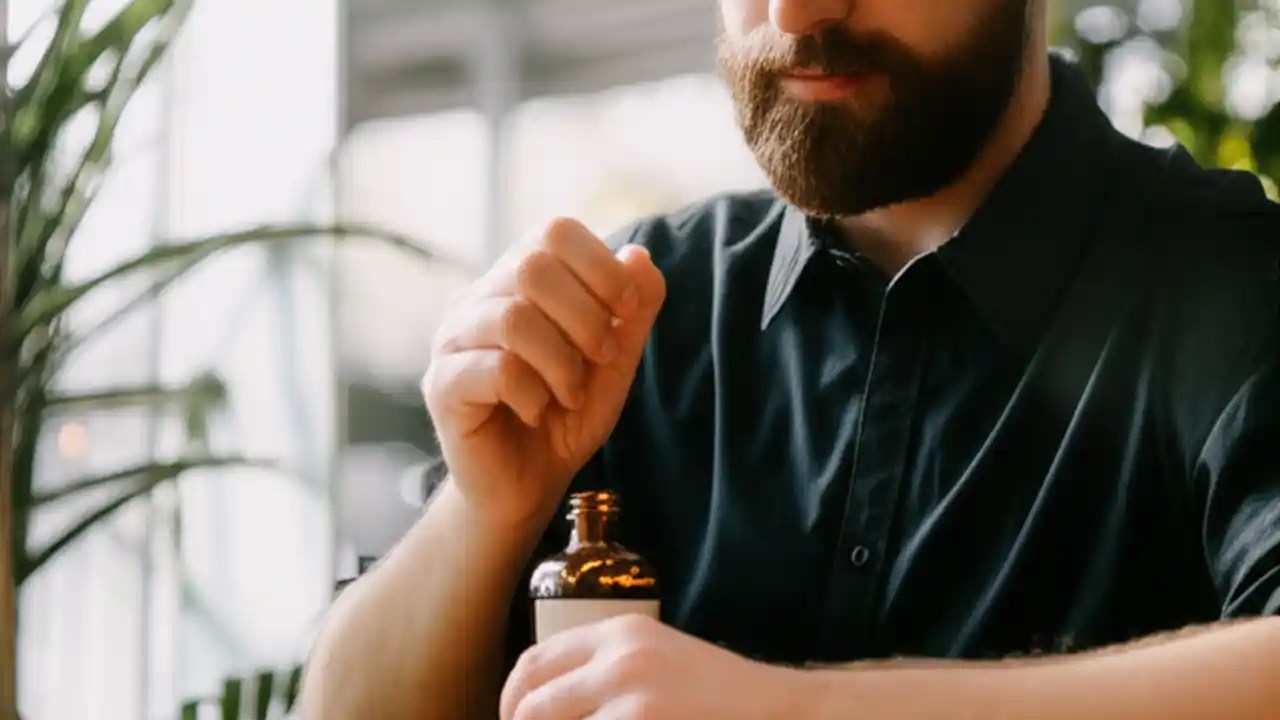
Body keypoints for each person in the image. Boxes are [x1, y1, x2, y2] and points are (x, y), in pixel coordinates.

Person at [302, 0, 1280, 717]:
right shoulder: (635, 310)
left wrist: (797, 713)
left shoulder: (1235, 286)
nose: (795, 10)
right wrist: (480, 514)